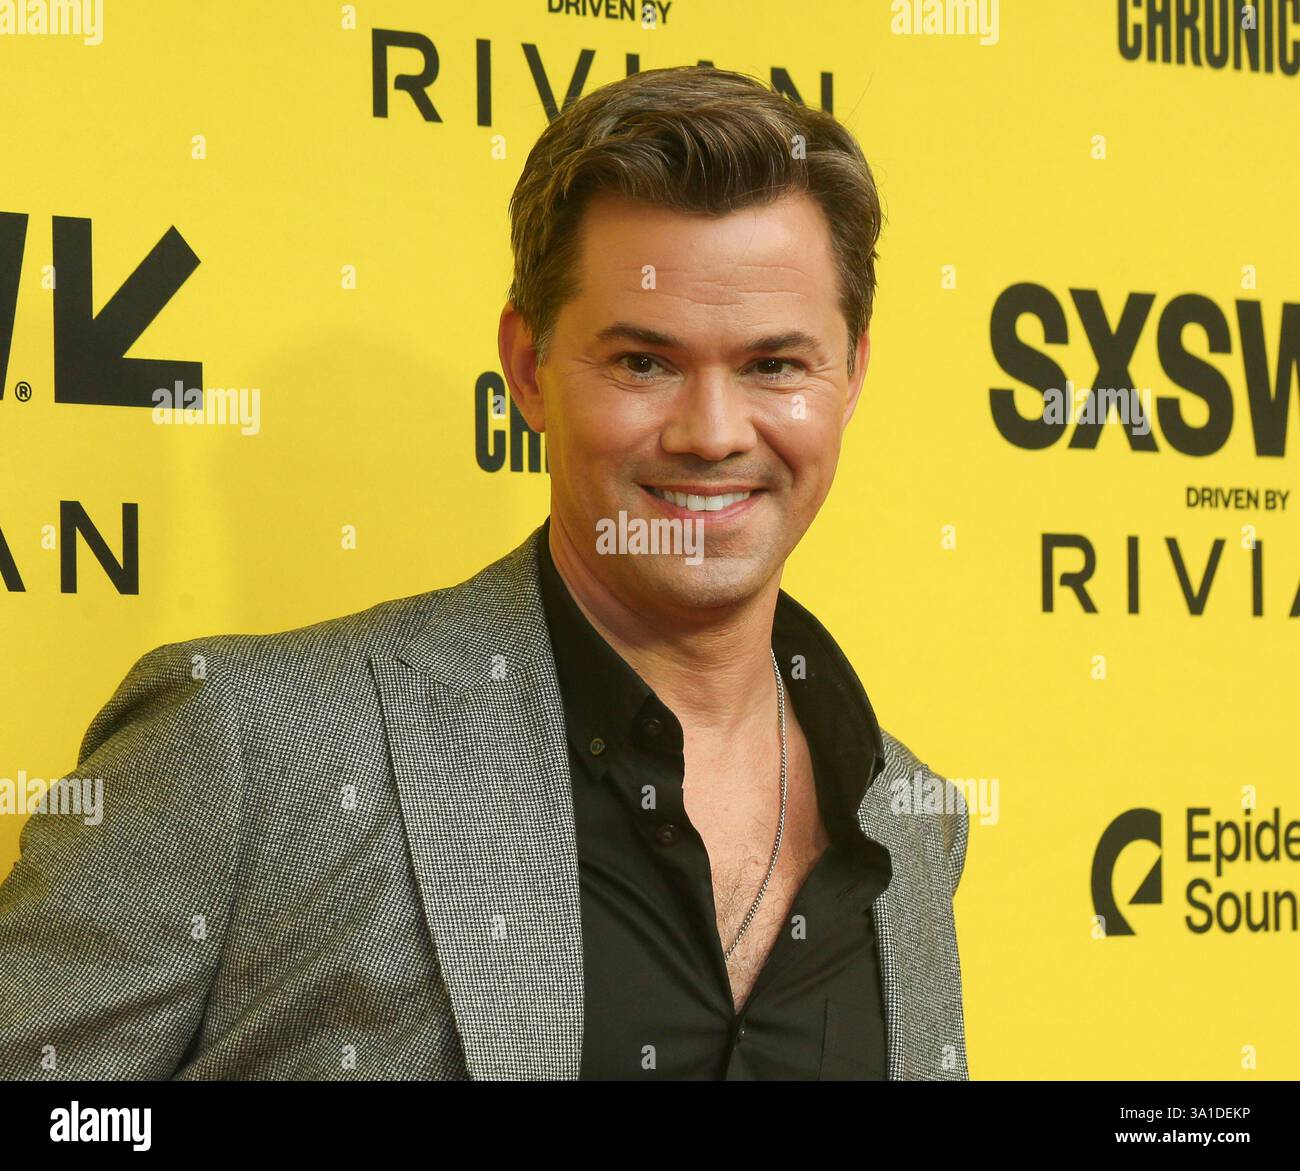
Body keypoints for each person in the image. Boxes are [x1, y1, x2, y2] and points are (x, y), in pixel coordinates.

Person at [0, 65, 969, 1080]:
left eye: (774, 364)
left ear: (849, 377)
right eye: (643, 363)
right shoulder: (250, 744)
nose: (712, 433)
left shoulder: (911, 818)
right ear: (525, 366)